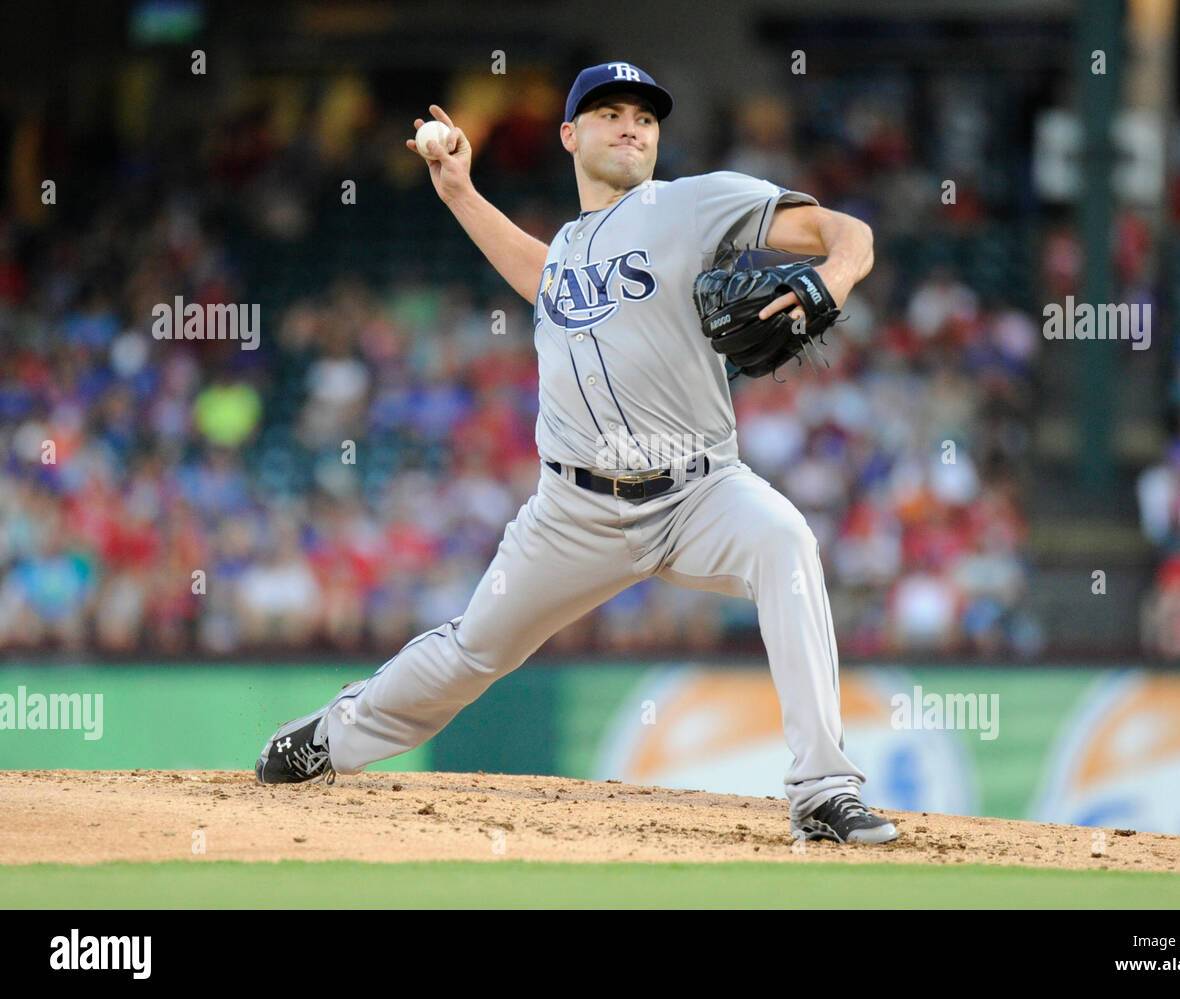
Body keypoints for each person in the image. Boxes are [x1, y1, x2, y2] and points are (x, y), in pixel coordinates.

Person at [256, 62, 895, 845]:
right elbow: (542, 276)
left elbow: (848, 231)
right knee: (471, 651)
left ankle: (823, 787)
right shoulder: (566, 250)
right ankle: (332, 735)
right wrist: (458, 190)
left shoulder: (693, 202)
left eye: (645, 117)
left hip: (700, 489)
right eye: (609, 112)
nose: (631, 126)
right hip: (574, 511)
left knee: (785, 540)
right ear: (570, 135)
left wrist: (834, 275)